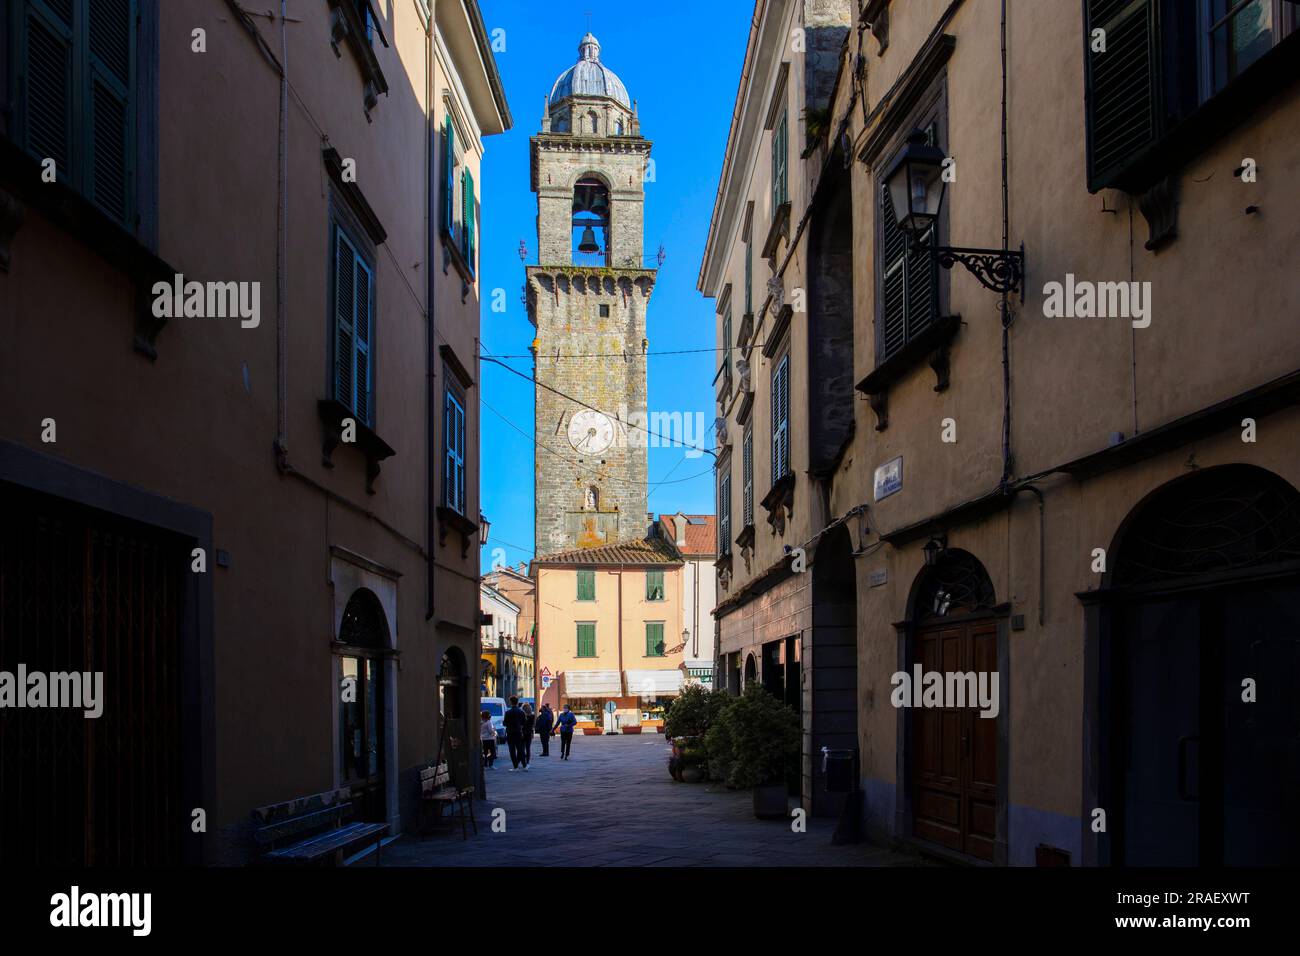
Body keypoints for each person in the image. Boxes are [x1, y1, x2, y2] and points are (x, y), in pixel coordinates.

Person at [502, 695, 529, 771]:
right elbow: (524, 723)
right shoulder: (521, 712)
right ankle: (524, 765)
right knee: (520, 749)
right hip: (518, 732)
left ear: (511, 702)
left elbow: (505, 723)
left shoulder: (508, 712)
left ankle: (515, 767)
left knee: (512, 750)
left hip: (510, 733)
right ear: (517, 702)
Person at [521, 702, 535, 768]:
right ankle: (528, 762)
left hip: (522, 733)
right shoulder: (532, 716)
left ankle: (523, 762)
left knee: (522, 748)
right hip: (529, 733)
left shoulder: (521, 715)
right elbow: (533, 725)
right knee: (528, 748)